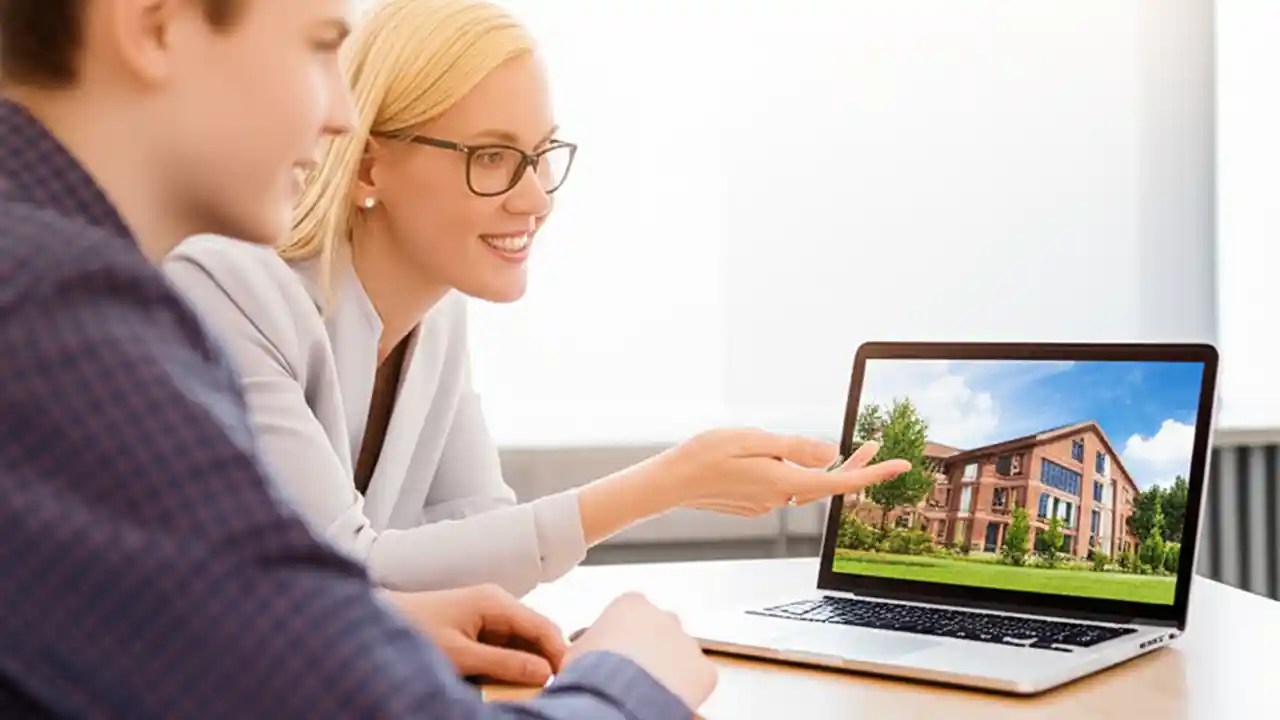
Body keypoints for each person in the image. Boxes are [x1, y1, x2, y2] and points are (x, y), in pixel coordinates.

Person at [0, 0, 719, 715]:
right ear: (153, 26)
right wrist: (628, 681)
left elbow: (211, 620)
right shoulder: (61, 320)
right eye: (318, 48)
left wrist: (369, 623)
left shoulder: (58, 287)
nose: (343, 115)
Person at [163, 0, 911, 595]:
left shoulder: (438, 316)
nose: (535, 199)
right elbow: (338, 574)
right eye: (492, 157)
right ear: (367, 167)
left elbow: (486, 537)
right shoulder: (238, 293)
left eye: (540, 155)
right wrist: (670, 482)